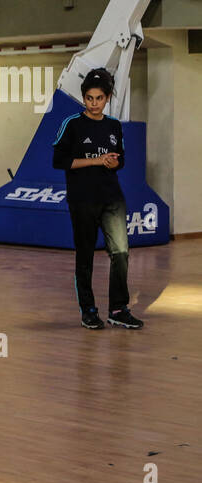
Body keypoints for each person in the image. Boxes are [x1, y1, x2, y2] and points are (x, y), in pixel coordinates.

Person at [52, 67, 143, 330]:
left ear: (108, 98)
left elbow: (120, 160)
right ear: (83, 98)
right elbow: (60, 161)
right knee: (85, 256)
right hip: (82, 200)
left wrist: (113, 163)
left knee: (121, 253)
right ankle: (89, 311)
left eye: (99, 98)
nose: (94, 104)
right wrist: (95, 160)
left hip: (112, 198)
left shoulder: (114, 126)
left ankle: (118, 308)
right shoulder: (72, 125)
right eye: (89, 98)